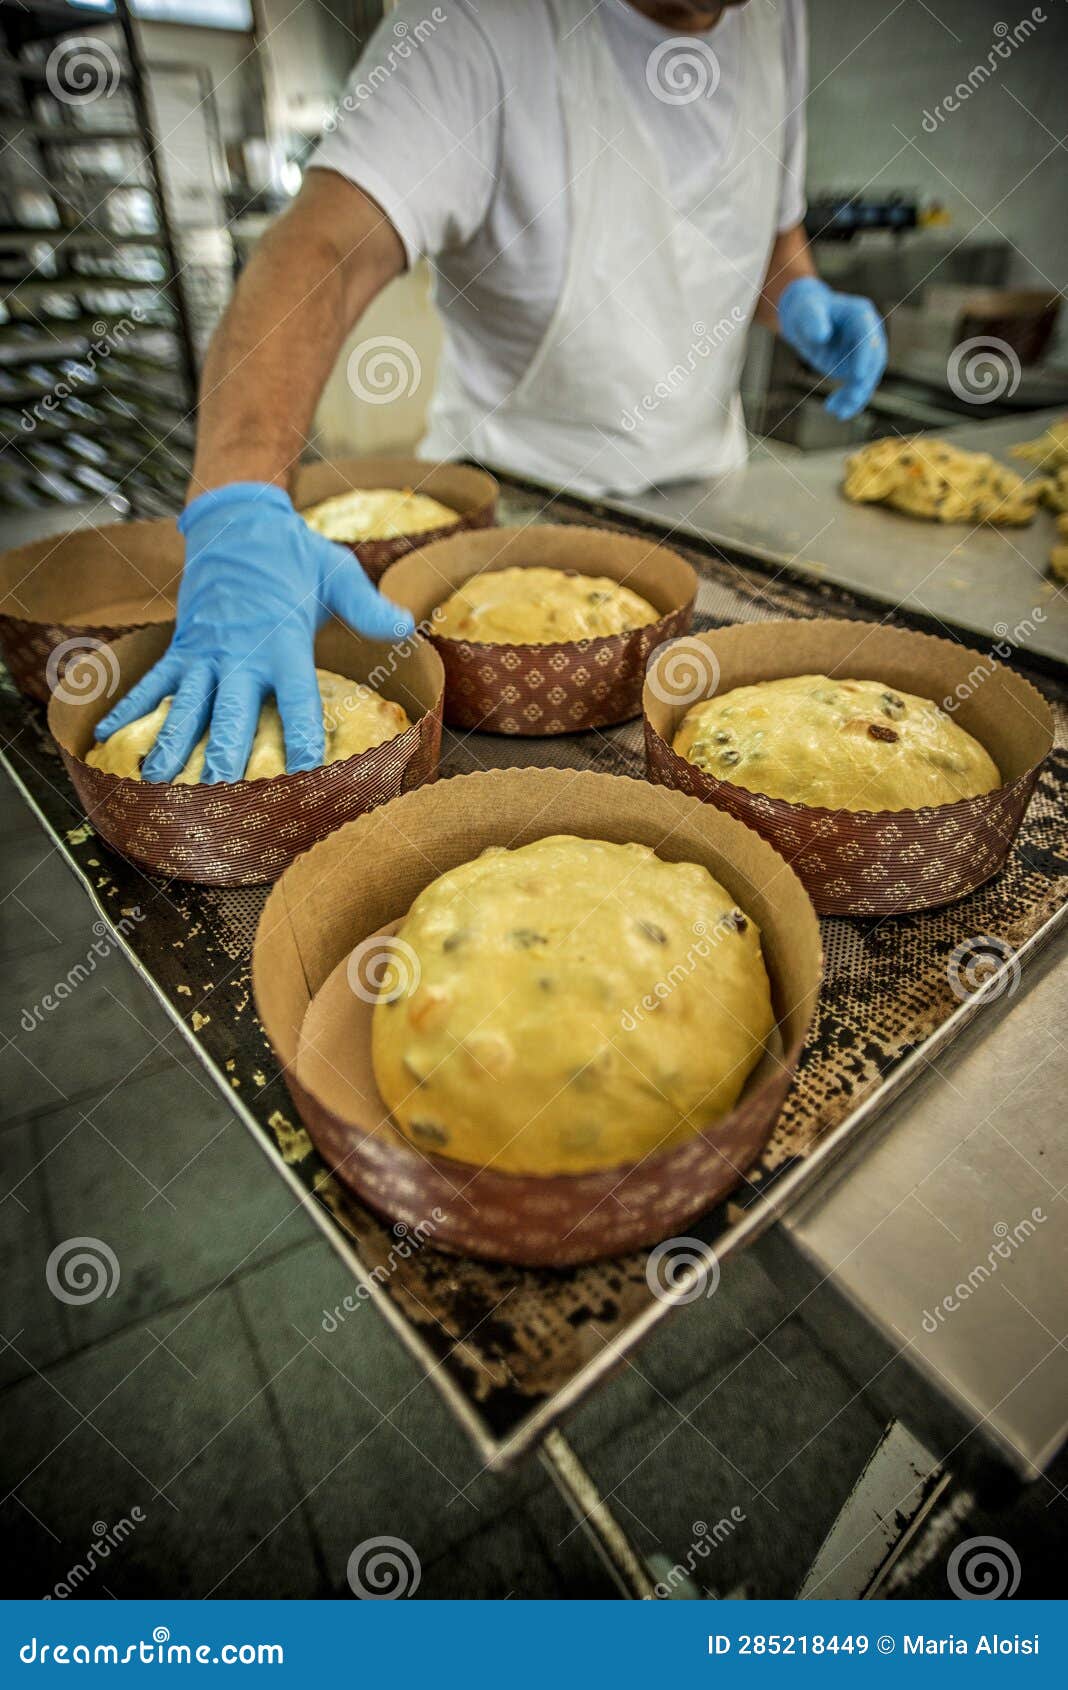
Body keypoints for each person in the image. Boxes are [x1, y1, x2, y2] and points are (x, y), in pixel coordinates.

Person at [97, 0, 886, 783]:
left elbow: (754, 225)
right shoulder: (473, 25)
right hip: (514, 504)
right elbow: (322, 247)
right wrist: (238, 499)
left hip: (709, 495)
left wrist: (796, 293)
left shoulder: (779, 15)